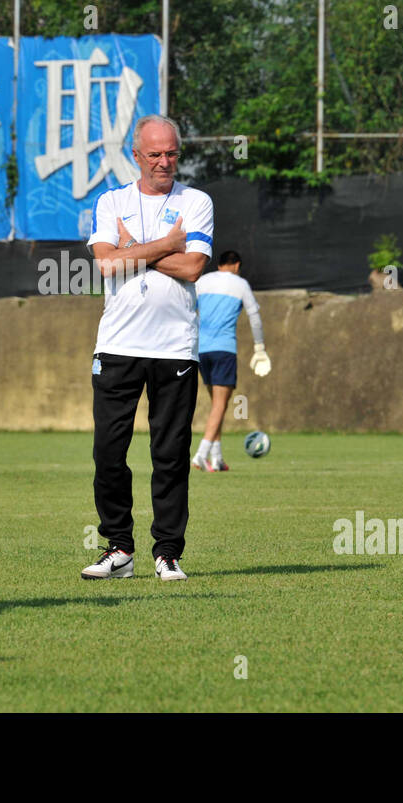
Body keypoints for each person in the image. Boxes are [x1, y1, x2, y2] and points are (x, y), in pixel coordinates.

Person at [81, 114, 213, 582]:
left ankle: (168, 552)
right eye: (154, 154)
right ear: (136, 155)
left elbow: (194, 266)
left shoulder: (196, 201)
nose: (164, 162)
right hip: (118, 345)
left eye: (172, 153)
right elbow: (106, 266)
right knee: (108, 453)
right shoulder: (110, 199)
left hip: (176, 348)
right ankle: (119, 548)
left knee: (171, 454)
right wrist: (166, 245)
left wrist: (134, 249)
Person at [192, 250, 269, 472]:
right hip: (224, 350)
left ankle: (216, 458)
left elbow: (189, 310)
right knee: (220, 404)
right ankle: (200, 454)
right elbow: (254, 316)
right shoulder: (240, 284)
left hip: (201, 351)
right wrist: (260, 347)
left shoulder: (202, 281)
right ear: (236, 265)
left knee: (219, 405)